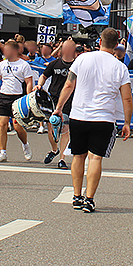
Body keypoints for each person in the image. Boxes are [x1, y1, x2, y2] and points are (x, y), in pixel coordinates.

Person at [54, 28, 132, 213]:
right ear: (116, 45)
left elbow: (69, 84)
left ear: (100, 42)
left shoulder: (82, 59)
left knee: (78, 156)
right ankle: (89, 199)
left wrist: (58, 108)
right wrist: (127, 123)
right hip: (103, 118)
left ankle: (76, 196)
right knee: (95, 158)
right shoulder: (120, 67)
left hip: (79, 115)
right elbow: (127, 98)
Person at [0, 40, 34, 162]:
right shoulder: (2, 64)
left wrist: (28, 99)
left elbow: (29, 82)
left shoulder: (24, 65)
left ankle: (25, 144)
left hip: (17, 98)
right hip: (3, 96)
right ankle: (3, 152)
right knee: (3, 124)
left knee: (17, 126)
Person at [36, 39, 77, 169]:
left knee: (65, 129)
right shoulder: (54, 64)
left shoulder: (77, 65)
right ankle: (55, 150)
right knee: (52, 128)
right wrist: (39, 85)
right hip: (53, 98)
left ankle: (62, 159)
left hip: (69, 100)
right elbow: (44, 76)